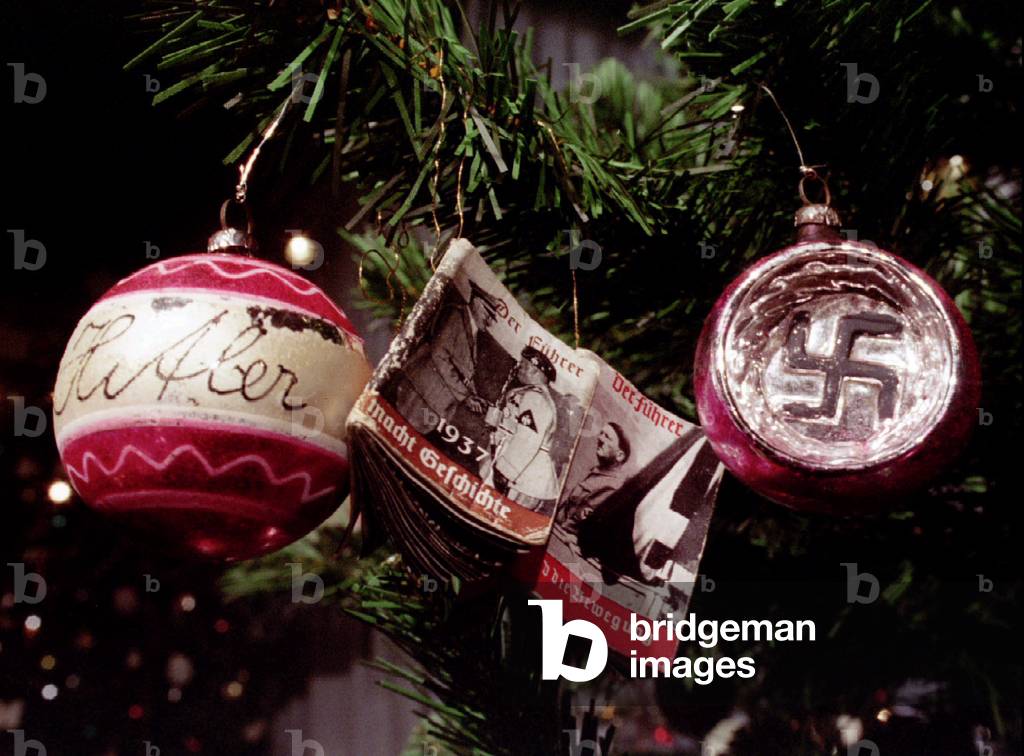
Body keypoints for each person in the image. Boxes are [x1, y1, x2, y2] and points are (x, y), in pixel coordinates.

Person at [393, 281, 500, 435]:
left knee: (408, 437)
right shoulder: (456, 316)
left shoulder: (472, 330)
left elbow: (463, 369)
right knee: (400, 432)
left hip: (435, 402)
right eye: (488, 314)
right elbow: (440, 355)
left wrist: (474, 396)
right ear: (477, 303)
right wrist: (465, 396)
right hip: (423, 394)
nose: (489, 322)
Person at [486, 347, 560, 514]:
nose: (519, 367)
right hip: (520, 475)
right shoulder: (529, 394)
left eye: (523, 365)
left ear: (535, 371)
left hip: (524, 478)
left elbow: (527, 439)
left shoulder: (536, 399)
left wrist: (505, 472)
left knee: (502, 517)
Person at [556, 422, 631, 534]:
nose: (600, 438)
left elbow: (574, 526)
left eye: (607, 437)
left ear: (619, 455)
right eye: (601, 433)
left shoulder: (612, 488)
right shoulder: (596, 471)